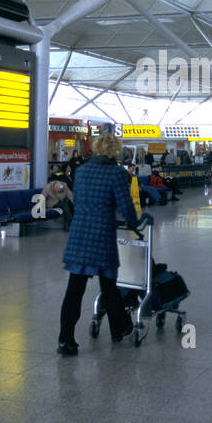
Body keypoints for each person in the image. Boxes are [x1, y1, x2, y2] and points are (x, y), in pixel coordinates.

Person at [58, 133, 142, 355]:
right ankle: (120, 328)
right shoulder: (116, 173)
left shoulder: (82, 171)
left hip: (79, 235)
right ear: (115, 151)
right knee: (109, 288)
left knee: (74, 290)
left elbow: (79, 200)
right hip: (102, 236)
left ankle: (65, 340)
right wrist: (136, 223)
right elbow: (125, 207)